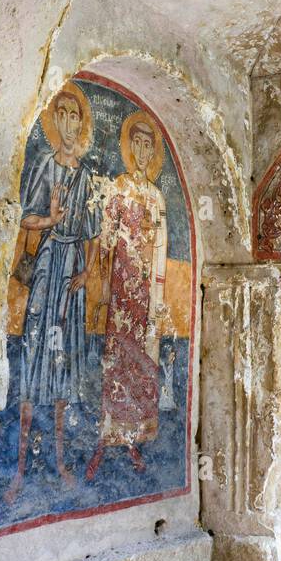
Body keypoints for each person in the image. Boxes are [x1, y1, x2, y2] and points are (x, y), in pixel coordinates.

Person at [5, 82, 100, 503]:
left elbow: (94, 232)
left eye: (74, 115)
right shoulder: (44, 165)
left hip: (71, 279)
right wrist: (51, 219)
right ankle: (19, 470)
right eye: (60, 113)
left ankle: (61, 463)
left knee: (61, 369)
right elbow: (24, 219)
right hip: (46, 269)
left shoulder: (88, 177)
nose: (67, 122)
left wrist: (88, 272)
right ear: (53, 121)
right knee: (33, 361)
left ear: (81, 124)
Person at [86, 109, 170, 480]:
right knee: (115, 362)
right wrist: (103, 292)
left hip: (146, 298)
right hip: (121, 295)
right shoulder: (117, 188)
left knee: (141, 366)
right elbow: (105, 245)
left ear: (153, 152)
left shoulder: (156, 197)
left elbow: (162, 248)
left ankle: (134, 437)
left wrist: (160, 299)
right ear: (127, 147)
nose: (140, 149)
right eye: (135, 142)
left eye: (147, 144)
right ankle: (109, 436)